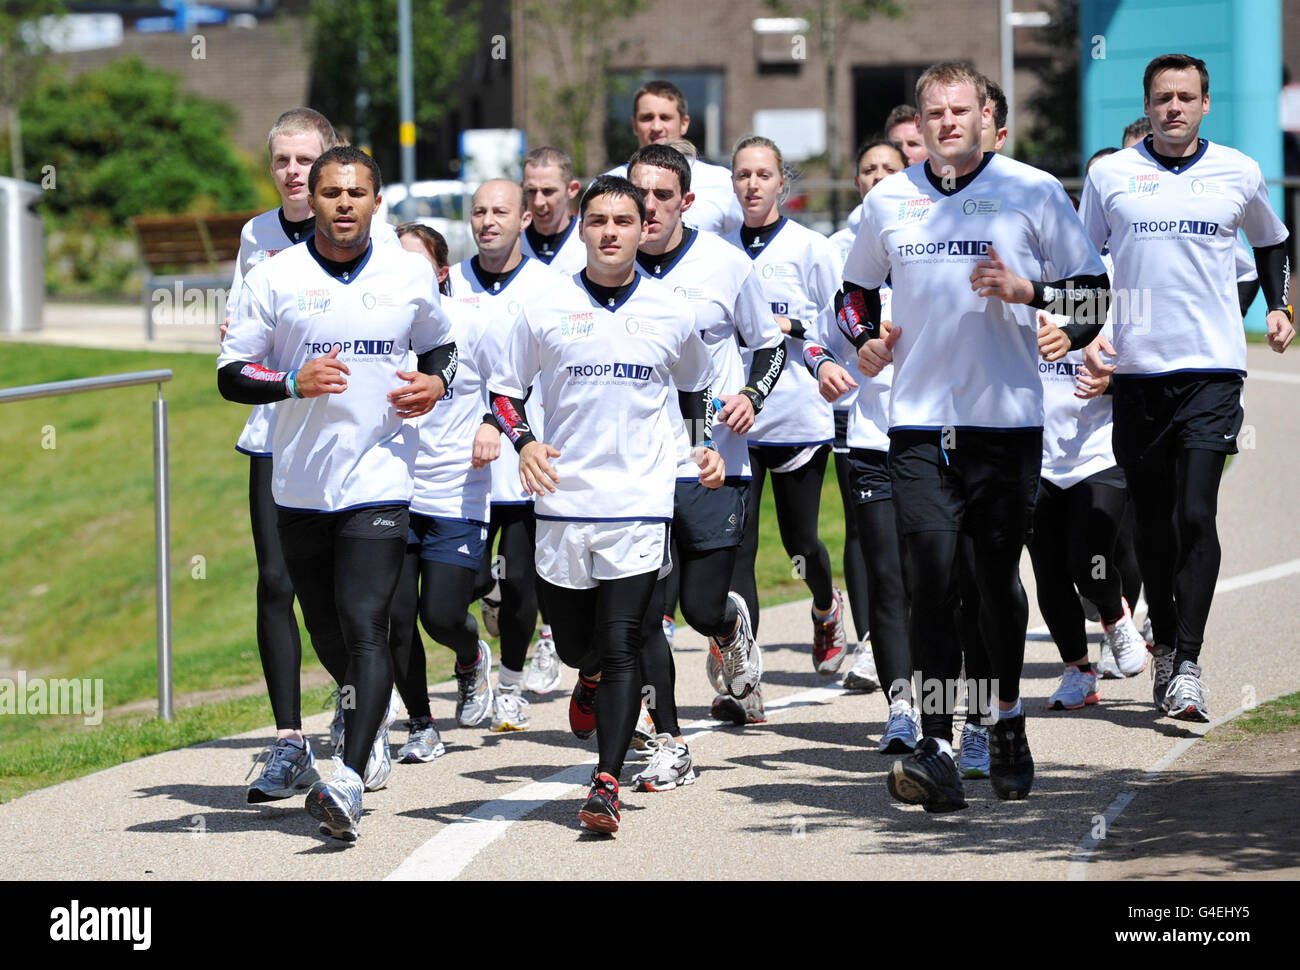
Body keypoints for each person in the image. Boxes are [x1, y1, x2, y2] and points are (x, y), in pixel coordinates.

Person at [846, 62, 1109, 811]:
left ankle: (1005, 719)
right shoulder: (889, 200)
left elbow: (1093, 289)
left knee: (990, 585)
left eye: (961, 111)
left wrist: (1038, 300)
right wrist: (865, 338)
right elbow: (854, 290)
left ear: (987, 117)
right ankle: (932, 744)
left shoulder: (1030, 191)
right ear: (919, 124)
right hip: (921, 423)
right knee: (930, 578)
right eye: (935, 113)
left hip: (1006, 422)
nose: (948, 123)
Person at [219, 145, 456, 841]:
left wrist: (435, 383)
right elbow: (232, 374)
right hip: (300, 483)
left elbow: (442, 344)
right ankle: (363, 714)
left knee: (366, 621)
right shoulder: (275, 277)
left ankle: (347, 776)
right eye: (331, 193)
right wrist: (293, 383)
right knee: (325, 628)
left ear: (377, 202)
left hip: (380, 475)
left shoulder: (409, 273)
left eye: (357, 192)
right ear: (312, 202)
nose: (344, 203)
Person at [487, 174, 719, 833]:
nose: (611, 232)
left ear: (643, 227)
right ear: (583, 229)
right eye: (599, 221)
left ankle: (607, 783)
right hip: (561, 504)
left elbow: (695, 389)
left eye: (625, 220)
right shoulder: (543, 308)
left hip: (641, 505)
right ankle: (584, 676)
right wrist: (525, 443)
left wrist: (701, 448)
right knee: (574, 648)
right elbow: (504, 391)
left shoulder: (673, 311)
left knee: (621, 644)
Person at [1079, 53, 1293, 721]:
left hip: (1212, 370)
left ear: (1204, 105)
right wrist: (1087, 333)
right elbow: (1084, 265)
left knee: (1197, 512)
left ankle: (1190, 664)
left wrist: (1279, 307)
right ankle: (1165, 646)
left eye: (1186, 97)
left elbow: (1272, 242)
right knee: (1153, 528)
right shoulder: (1110, 176)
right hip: (1139, 375)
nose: (1174, 107)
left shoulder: (1238, 172)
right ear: (1148, 105)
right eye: (1163, 97)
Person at [227, 107, 399, 804]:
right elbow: (241, 340)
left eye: (306, 161)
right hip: (277, 429)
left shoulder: (369, 234)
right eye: (282, 162)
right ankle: (290, 741)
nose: (294, 173)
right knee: (276, 582)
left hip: (352, 439)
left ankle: (366, 718)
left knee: (354, 604)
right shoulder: (257, 237)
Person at [624, 143, 785, 754]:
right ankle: (656, 726)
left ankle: (730, 626)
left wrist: (751, 394)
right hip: (634, 467)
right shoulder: (609, 271)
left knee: (699, 605)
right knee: (637, 607)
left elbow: (769, 347)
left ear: (686, 201)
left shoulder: (725, 264)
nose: (650, 206)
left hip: (708, 456)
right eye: (640, 194)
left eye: (664, 195)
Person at [725, 135, 848, 690]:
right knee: (738, 549)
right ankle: (746, 673)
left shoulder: (810, 248)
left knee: (801, 544)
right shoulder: (718, 250)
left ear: (781, 182)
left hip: (797, 416)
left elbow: (843, 321)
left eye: (763, 175)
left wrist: (791, 328)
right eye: (743, 175)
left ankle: (826, 605)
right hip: (736, 424)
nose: (752, 184)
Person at [386, 224, 504, 762]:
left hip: (457, 488)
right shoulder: (379, 327)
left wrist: (490, 424)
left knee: (440, 614)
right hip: (390, 489)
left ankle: (470, 654)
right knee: (394, 614)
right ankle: (420, 724)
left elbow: (510, 387)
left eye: (416, 265)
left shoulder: (472, 323)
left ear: (439, 273)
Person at [455, 180, 569, 724]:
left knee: (522, 579)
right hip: (463, 460)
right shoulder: (450, 283)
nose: (488, 221)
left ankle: (511, 684)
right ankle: (479, 636)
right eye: (479, 211)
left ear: (524, 219)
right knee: (471, 580)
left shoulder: (551, 286)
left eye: (500, 211)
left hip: (527, 453)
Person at [605, 79, 744, 235]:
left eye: (665, 118)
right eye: (647, 118)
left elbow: (739, 243)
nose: (656, 127)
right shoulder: (609, 183)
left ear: (684, 123)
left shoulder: (722, 181)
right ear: (634, 125)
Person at [520, 146, 587, 275]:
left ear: (572, 189)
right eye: (531, 191)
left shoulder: (589, 243)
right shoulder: (512, 243)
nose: (538, 202)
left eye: (548, 191)